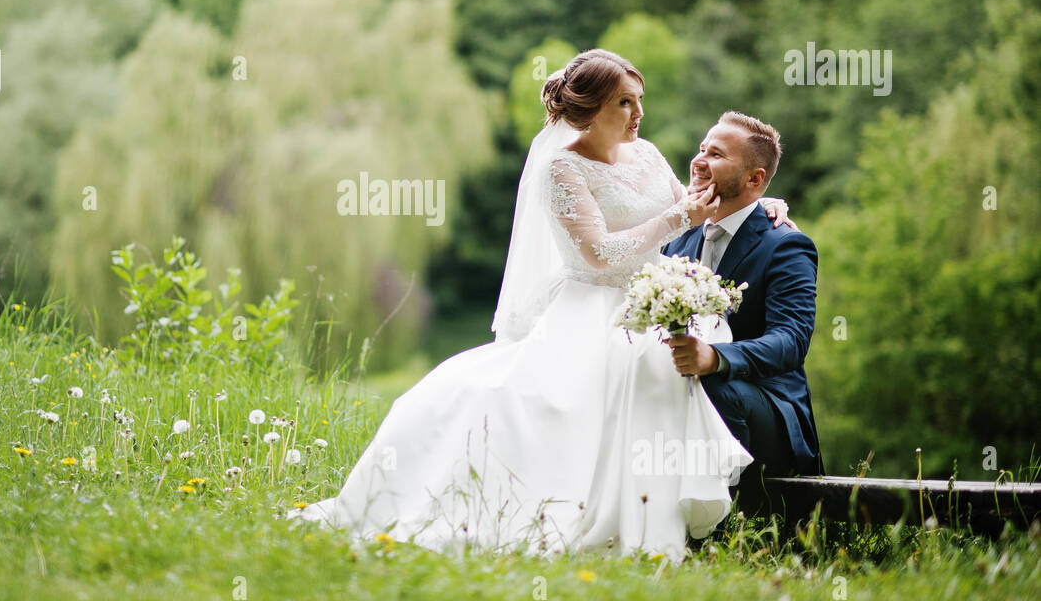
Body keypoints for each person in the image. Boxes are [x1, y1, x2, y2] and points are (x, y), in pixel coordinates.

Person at [288, 49, 794, 560]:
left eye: (640, 101)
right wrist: (673, 221)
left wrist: (760, 202)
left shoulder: (648, 154)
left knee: (652, 381)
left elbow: (694, 198)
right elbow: (597, 253)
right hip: (591, 307)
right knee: (553, 402)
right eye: (625, 102)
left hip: (646, 307)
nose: (638, 114)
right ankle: (555, 512)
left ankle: (651, 519)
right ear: (590, 107)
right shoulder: (562, 169)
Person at [661, 112, 825, 510]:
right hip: (681, 388)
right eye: (702, 149)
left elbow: (791, 341)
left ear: (754, 179)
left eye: (716, 154)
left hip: (766, 406)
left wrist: (716, 358)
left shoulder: (785, 244)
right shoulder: (677, 238)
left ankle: (725, 524)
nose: (699, 160)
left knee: (711, 384)